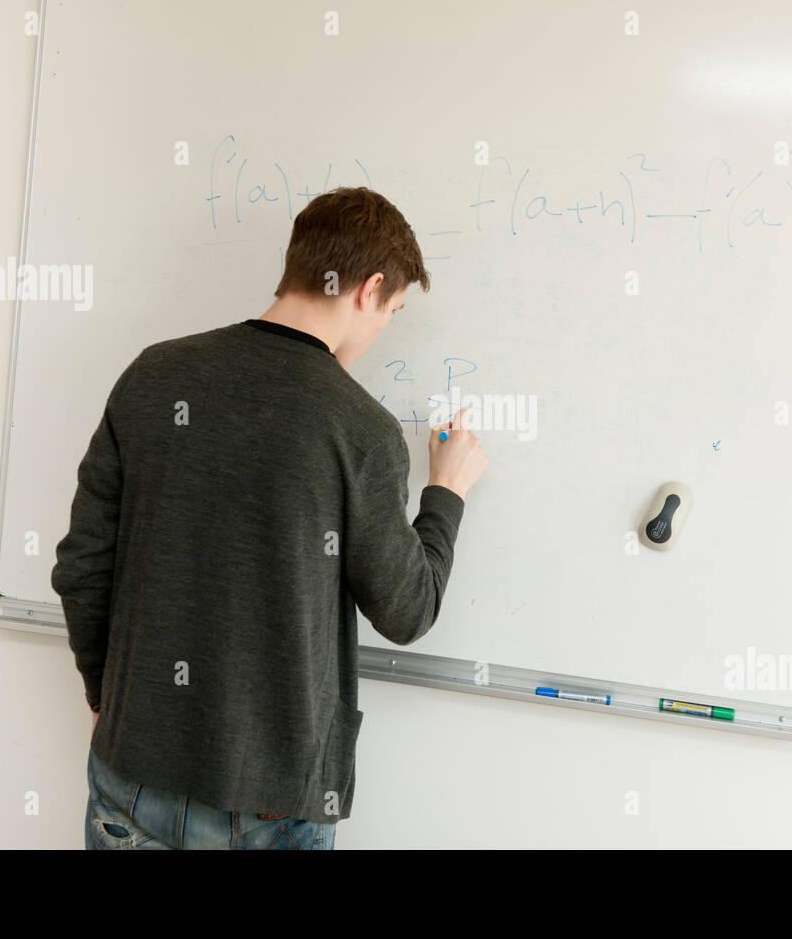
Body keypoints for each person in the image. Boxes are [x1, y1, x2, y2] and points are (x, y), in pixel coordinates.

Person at [50, 186, 489, 849]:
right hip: (274, 801)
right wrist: (446, 493)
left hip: (129, 768)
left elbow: (82, 566)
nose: (380, 330)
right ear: (369, 289)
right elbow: (407, 610)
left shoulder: (151, 375)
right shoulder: (358, 429)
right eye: (392, 310)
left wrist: (105, 702)